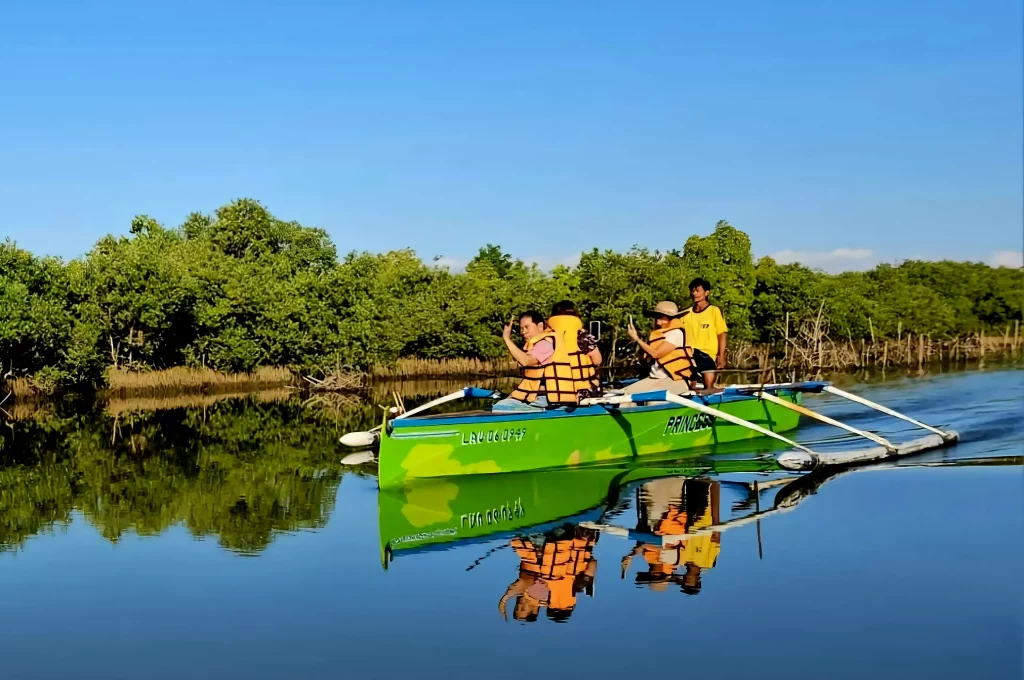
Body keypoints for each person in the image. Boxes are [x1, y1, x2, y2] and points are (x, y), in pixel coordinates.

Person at [622, 300, 696, 395]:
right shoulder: (658, 334)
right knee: (626, 394)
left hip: (676, 379)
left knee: (652, 399)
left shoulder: (676, 333)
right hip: (656, 378)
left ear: (671, 318)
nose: (657, 321)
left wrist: (637, 339)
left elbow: (656, 354)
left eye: (661, 317)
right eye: (656, 317)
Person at [493, 310, 555, 411]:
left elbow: (526, 361)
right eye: (521, 328)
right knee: (502, 404)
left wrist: (506, 338)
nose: (523, 331)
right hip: (534, 395)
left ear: (540, 326)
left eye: (527, 327)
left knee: (500, 407)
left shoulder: (545, 345)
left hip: (544, 398)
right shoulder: (534, 346)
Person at [681, 277, 728, 391]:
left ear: (706, 292)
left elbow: (721, 334)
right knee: (687, 388)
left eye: (697, 290)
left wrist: (721, 356)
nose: (694, 293)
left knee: (709, 387)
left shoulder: (714, 311)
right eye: (692, 290)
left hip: (707, 355)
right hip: (689, 355)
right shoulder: (685, 313)